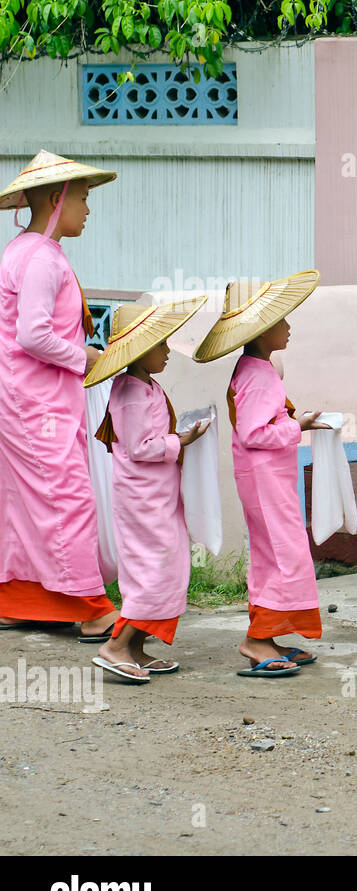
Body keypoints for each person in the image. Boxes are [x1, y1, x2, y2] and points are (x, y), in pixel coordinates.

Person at [0, 151, 121, 640]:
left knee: (25, 501)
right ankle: (89, 607)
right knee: (65, 496)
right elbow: (33, 335)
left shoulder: (25, 251)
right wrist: (87, 358)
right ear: (57, 200)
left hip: (29, 398)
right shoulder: (40, 258)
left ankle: (15, 599)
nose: (88, 210)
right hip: (36, 403)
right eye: (84, 200)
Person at [193, 271, 329, 677]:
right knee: (279, 554)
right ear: (264, 329)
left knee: (279, 554)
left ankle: (269, 634)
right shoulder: (254, 373)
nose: (289, 326)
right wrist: (297, 426)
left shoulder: (258, 367)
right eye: (282, 320)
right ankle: (256, 639)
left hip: (270, 477)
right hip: (264, 479)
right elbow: (254, 433)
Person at [84, 296, 211, 682]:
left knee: (166, 567)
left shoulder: (145, 386)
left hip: (157, 496)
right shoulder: (130, 393)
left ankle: (136, 649)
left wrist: (177, 437)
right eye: (160, 345)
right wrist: (181, 441)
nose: (167, 351)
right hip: (143, 502)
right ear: (139, 353)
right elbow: (141, 447)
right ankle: (117, 646)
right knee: (153, 572)